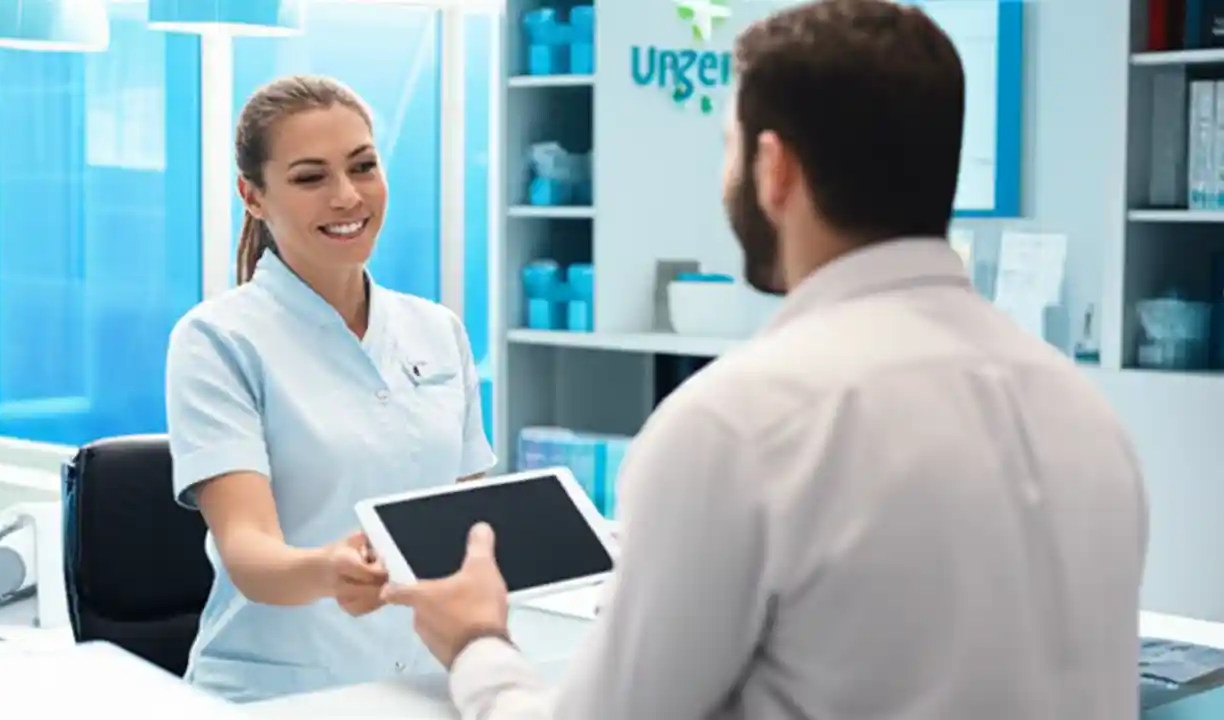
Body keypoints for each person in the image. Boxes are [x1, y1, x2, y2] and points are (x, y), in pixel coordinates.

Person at [382, 1, 1149, 718]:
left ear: (774, 168)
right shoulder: (1081, 411)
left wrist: (477, 645)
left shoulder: (740, 425)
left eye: (730, 149)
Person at [164, 74, 496, 703]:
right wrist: (327, 569)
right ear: (252, 196)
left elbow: (466, 526)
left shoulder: (437, 330)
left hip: (427, 683)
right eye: (310, 177)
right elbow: (248, 552)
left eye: (363, 166)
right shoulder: (217, 340)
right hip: (276, 696)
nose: (347, 196)